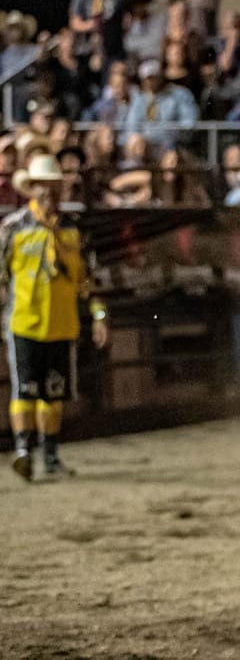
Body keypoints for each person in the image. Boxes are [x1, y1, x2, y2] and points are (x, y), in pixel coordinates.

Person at [3, 154, 109, 481]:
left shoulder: (73, 231)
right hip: (24, 322)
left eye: (54, 186)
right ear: (31, 189)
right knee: (25, 390)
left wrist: (99, 315)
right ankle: (23, 450)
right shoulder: (13, 229)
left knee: (54, 392)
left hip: (62, 325)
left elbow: (88, 280)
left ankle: (49, 456)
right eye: (42, 187)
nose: (49, 193)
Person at [124, 59, 197, 151]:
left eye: (153, 78)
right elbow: (132, 125)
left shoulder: (179, 94)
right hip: (145, 146)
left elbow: (188, 123)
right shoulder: (140, 99)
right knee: (135, 142)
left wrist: (171, 136)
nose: (149, 82)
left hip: (172, 145)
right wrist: (137, 138)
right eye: (146, 78)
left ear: (161, 76)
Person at [68, 0, 127, 67]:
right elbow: (74, 22)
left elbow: (119, 18)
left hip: (111, 48)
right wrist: (89, 25)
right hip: (86, 49)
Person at [122, 0, 166, 64]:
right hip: (139, 62)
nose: (139, 9)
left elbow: (159, 40)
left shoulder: (157, 21)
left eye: (141, 5)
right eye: (135, 7)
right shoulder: (130, 26)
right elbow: (128, 46)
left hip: (157, 60)